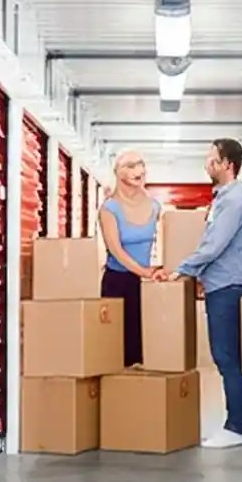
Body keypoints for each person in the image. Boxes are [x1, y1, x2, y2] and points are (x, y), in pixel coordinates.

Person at [158, 138, 242, 449]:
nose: (206, 164)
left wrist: (182, 270)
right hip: (219, 286)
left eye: (211, 159)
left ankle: (238, 426)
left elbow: (214, 246)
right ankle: (239, 423)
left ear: (228, 164)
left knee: (227, 357)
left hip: (228, 288)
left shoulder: (234, 199)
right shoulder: (223, 198)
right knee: (227, 356)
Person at [98, 150, 161, 367]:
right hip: (118, 282)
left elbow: (162, 241)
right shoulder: (109, 208)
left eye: (141, 164)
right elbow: (115, 250)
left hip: (145, 284)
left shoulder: (155, 207)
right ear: (118, 172)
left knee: (145, 350)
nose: (138, 169)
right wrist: (144, 272)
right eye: (131, 165)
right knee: (117, 351)